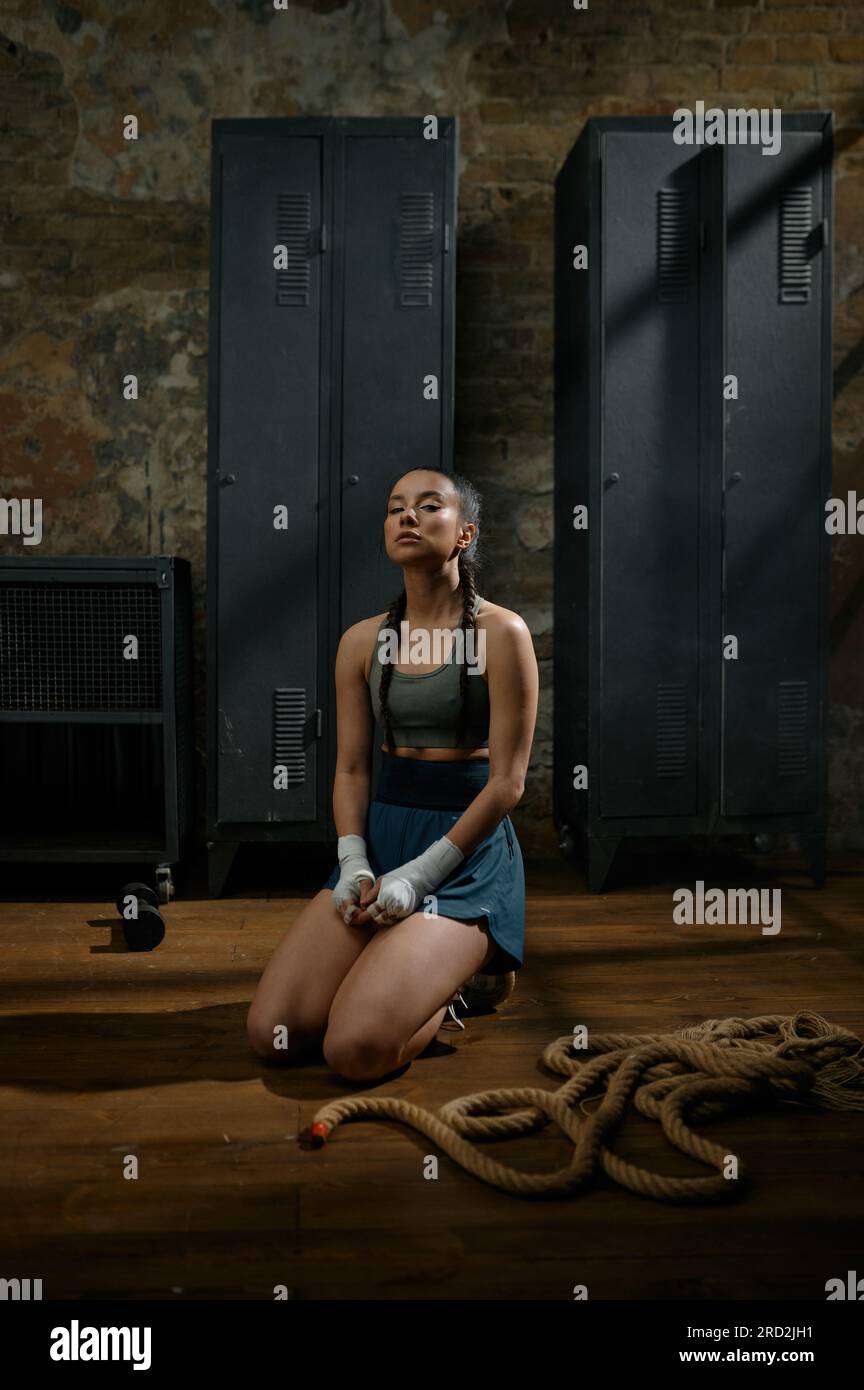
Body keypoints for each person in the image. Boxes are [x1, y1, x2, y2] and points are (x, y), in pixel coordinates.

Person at [246, 467, 538, 1082]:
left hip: (464, 854)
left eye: (428, 507)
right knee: (275, 1035)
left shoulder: (501, 634)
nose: (407, 516)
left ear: (464, 534)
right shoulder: (360, 642)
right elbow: (352, 769)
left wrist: (421, 876)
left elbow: (508, 783)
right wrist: (355, 860)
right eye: (395, 507)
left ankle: (450, 985)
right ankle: (397, 967)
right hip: (382, 841)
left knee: (353, 1050)